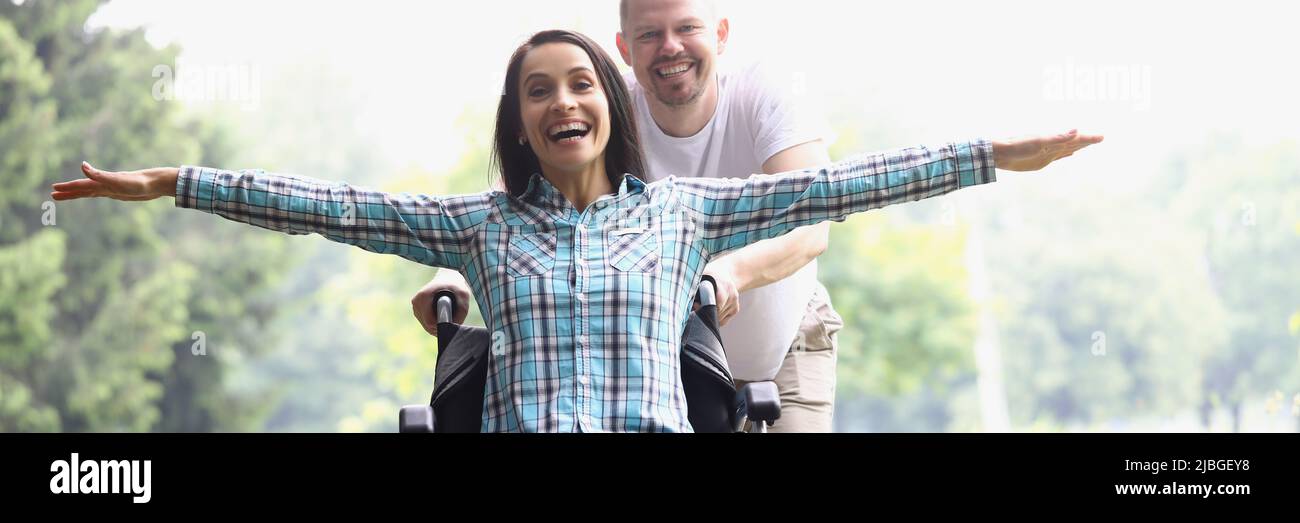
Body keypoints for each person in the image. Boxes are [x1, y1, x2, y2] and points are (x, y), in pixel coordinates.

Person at [51, 29, 1102, 433]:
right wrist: (171, 182)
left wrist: (994, 154)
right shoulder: (480, 225)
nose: (564, 103)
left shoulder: (684, 212)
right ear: (520, 120)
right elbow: (328, 205)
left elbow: (856, 183)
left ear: (610, 102)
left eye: (581, 86)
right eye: (539, 92)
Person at [412, 0, 844, 432]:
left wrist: (731, 270)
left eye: (687, 28)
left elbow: (809, 221)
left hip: (782, 349)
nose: (670, 47)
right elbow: (524, 209)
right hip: (656, 363)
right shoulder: (601, 105)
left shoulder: (766, 92)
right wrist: (453, 273)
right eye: (649, 34)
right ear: (624, 48)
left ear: (721, 34)